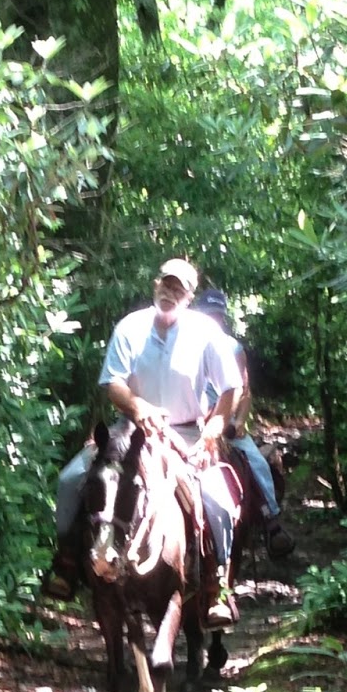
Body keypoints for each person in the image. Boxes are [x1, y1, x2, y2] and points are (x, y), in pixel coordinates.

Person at [46, 257, 242, 624]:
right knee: (72, 479)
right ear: (156, 285)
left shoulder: (206, 334)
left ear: (188, 296)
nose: (170, 292)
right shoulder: (130, 328)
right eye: (166, 285)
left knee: (218, 497)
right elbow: (112, 382)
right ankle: (67, 562)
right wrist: (137, 407)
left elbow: (232, 387)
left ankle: (217, 583)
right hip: (131, 427)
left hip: (186, 430)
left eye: (178, 288)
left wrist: (214, 429)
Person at [194, 286, 294, 559]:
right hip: (192, 422)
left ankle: (271, 519)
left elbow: (244, 390)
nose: (213, 319)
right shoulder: (186, 346)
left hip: (224, 422)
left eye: (217, 315)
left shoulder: (232, 347)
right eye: (208, 314)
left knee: (257, 462)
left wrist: (237, 420)